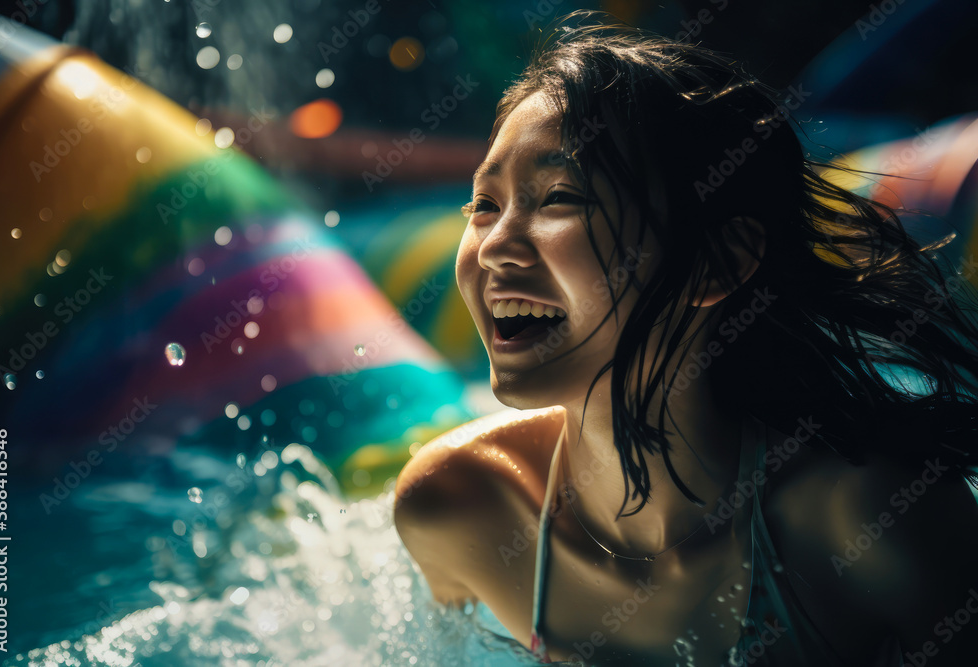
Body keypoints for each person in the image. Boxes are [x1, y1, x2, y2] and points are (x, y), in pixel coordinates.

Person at [394, 9, 978, 665]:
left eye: (559, 197)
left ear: (718, 262)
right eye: (484, 204)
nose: (494, 245)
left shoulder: (868, 524)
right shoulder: (464, 506)